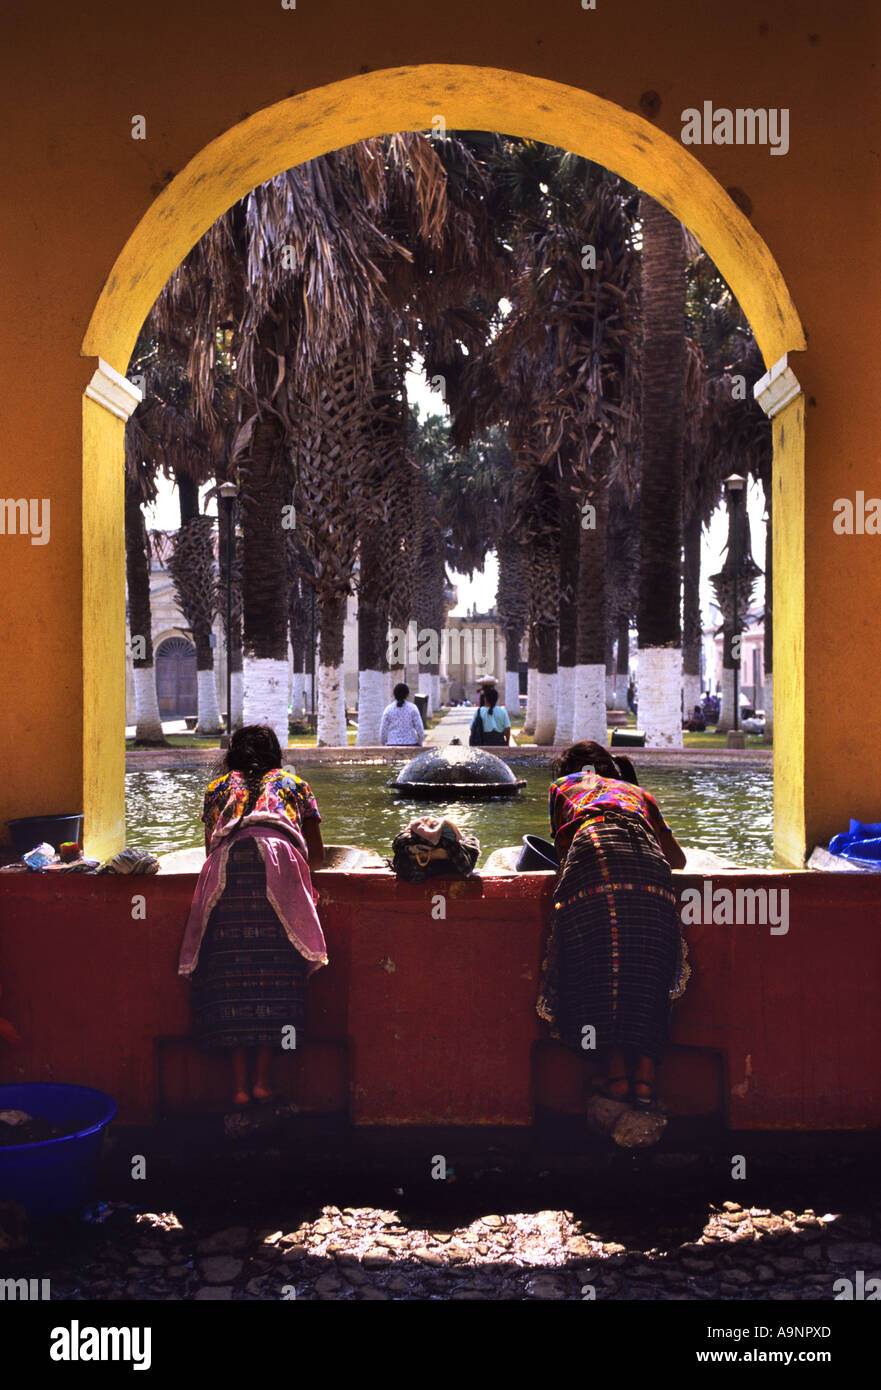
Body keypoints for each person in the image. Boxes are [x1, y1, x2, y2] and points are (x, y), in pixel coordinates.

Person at [178, 725, 327, 1108]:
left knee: (232, 979)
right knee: (274, 976)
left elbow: (210, 846)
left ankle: (240, 1088)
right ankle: (263, 1081)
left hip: (226, 878)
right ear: (275, 754)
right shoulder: (296, 785)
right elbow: (320, 856)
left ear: (232, 756)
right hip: (279, 874)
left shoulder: (217, 790)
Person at [536, 740, 688, 1112]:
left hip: (595, 861)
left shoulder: (564, 787)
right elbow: (678, 859)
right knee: (650, 973)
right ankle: (645, 1082)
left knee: (596, 971)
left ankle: (617, 1076)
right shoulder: (639, 794)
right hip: (651, 875)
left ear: (569, 770)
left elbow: (564, 851)